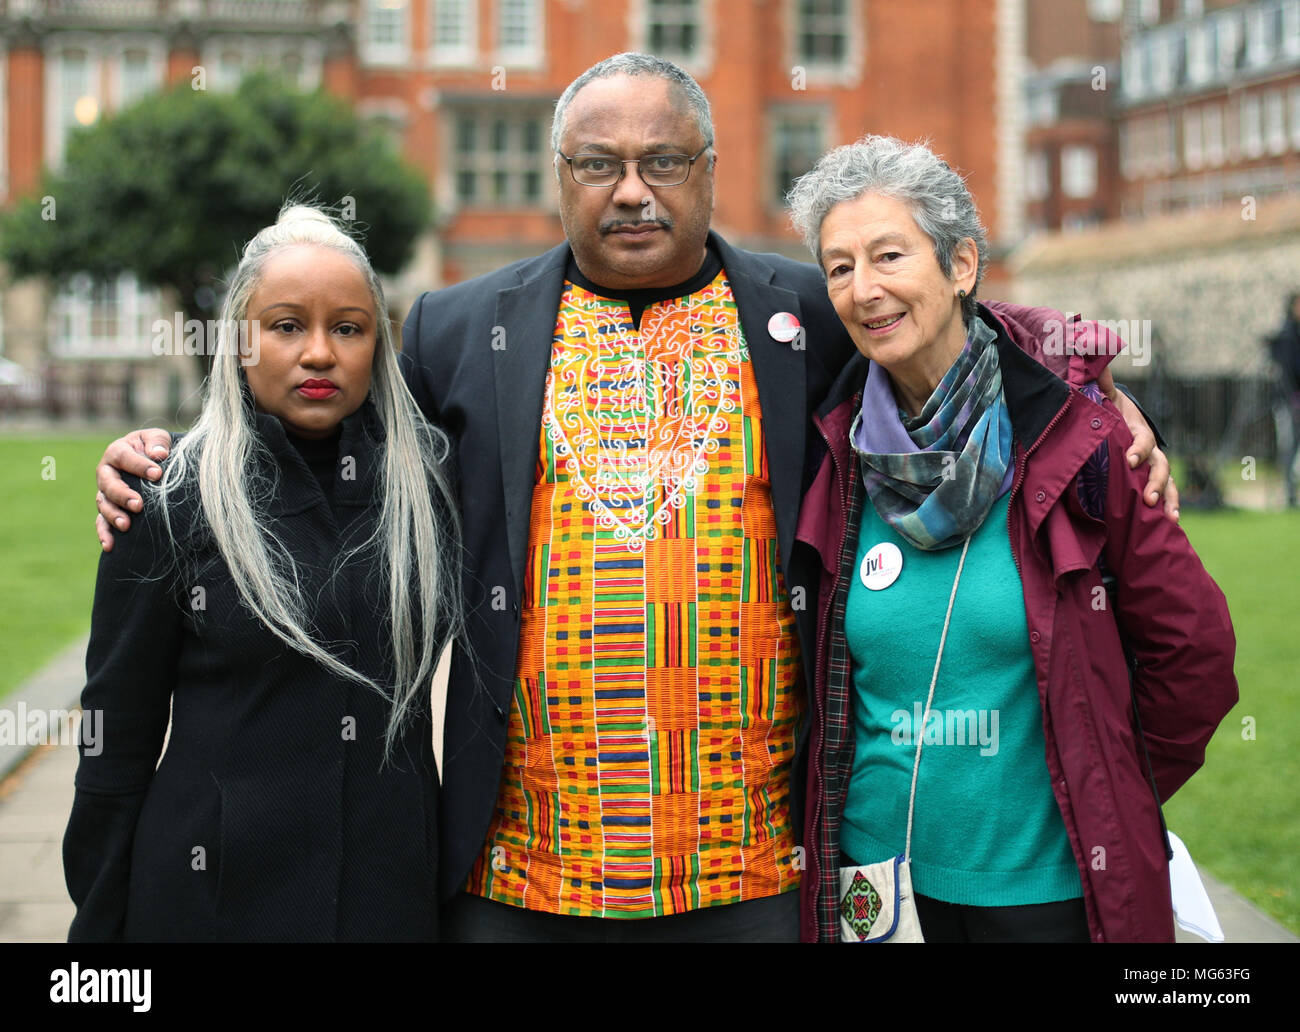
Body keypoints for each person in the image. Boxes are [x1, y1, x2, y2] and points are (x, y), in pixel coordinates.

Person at [92, 54, 1175, 943]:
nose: (631, 188)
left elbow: (940, 322)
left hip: (747, 870)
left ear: (709, 169)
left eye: (664, 160)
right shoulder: (459, 331)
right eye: (598, 163)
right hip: (520, 875)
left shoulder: (802, 313)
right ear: (557, 177)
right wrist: (169, 458)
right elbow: (319, 432)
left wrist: (1088, 384)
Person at [786, 136, 1237, 943]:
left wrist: (1109, 789)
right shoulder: (831, 449)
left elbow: (1193, 652)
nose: (865, 290)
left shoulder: (1085, 438)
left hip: (1045, 896)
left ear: (961, 265)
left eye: (890, 255)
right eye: (840, 267)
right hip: (871, 894)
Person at [64, 205, 463, 941]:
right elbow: (113, 739)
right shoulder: (166, 497)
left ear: (377, 346)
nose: (319, 352)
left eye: (348, 327)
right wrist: (95, 934)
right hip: (207, 902)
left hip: (388, 898)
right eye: (285, 326)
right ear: (241, 343)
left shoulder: (433, 489)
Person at [1268, 292, 1300, 507]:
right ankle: (1289, 493)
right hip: (1288, 399)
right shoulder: (1286, 336)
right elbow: (1287, 370)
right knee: (1288, 445)